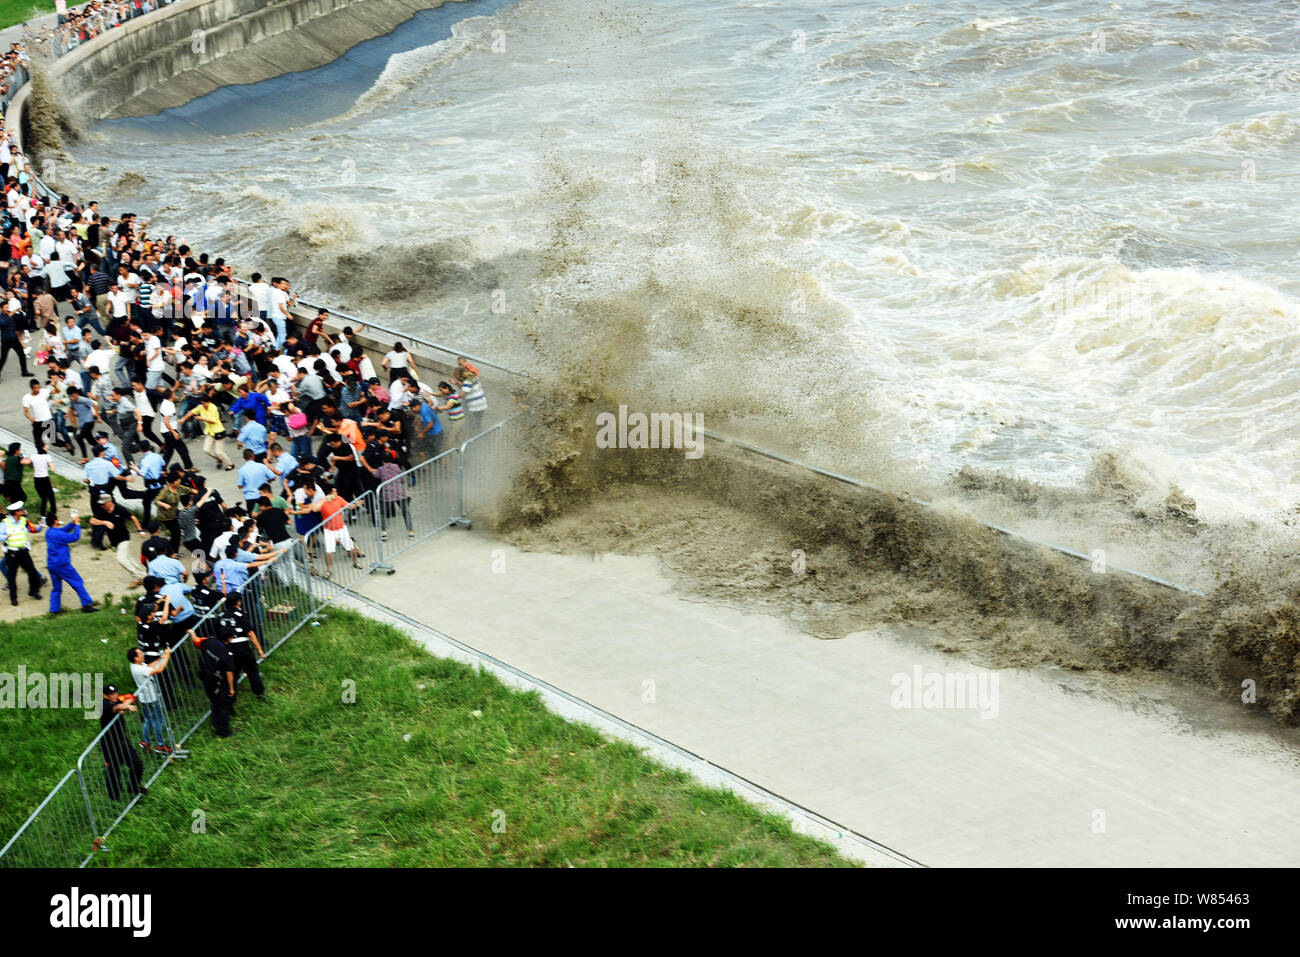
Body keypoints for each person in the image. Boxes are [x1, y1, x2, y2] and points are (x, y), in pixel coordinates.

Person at [127, 646, 188, 758]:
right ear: (136, 658)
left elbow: (149, 666)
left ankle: (145, 742)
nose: (143, 654)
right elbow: (159, 670)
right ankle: (160, 745)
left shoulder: (136, 665)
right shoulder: (139, 669)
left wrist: (161, 658)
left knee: (149, 719)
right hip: (151, 698)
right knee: (159, 721)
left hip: (144, 699)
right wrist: (167, 656)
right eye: (140, 654)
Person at [98, 684, 147, 800]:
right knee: (114, 770)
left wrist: (125, 704)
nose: (114, 696)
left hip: (122, 741)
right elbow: (115, 708)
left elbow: (130, 698)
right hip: (110, 745)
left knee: (137, 764)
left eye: (115, 693)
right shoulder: (103, 705)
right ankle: (114, 797)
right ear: (105, 696)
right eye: (111, 694)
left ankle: (133, 787)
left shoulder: (117, 700)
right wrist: (127, 707)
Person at [44, 511, 98, 614]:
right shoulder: (58, 534)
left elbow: (63, 530)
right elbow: (75, 537)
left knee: (57, 588)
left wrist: (72, 523)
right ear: (56, 521)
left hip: (52, 565)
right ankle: (86, 604)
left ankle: (54, 609)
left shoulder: (49, 532)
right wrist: (77, 525)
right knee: (77, 582)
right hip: (62, 565)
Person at [88, 496, 146, 588]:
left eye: (103, 504)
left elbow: (133, 518)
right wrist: (105, 522)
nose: (101, 506)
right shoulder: (102, 511)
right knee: (128, 558)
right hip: (114, 542)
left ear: (109, 502)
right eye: (101, 504)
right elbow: (92, 520)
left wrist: (140, 530)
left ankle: (137, 577)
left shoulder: (120, 509)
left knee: (121, 559)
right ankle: (143, 575)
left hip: (124, 538)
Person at [216, 590, 265, 698]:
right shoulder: (241, 615)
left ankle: (229, 700)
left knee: (231, 676)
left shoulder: (221, 617)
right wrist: (259, 649)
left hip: (228, 650)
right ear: (238, 602)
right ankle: (259, 693)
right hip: (243, 649)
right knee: (252, 672)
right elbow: (250, 633)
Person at [1, 500, 44, 606]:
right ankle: (13, 598)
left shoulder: (24, 520)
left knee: (32, 572)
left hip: (24, 552)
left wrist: (40, 527)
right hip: (12, 553)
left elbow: (32, 528)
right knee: (12, 576)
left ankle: (33, 591)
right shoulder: (5, 523)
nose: (24, 511)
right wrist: (5, 537)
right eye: (22, 510)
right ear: (16, 512)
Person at [199, 627, 236, 738]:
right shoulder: (226, 654)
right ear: (228, 639)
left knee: (214, 701)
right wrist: (231, 688)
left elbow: (197, 641)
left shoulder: (208, 642)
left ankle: (215, 724)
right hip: (218, 681)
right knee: (223, 705)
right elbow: (229, 673)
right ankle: (224, 731)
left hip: (205, 677)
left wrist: (192, 634)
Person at [178, 394, 232, 470]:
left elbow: (213, 421)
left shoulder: (213, 408)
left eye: (203, 403)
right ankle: (218, 459)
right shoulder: (201, 407)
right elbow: (192, 412)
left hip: (218, 431)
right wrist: (183, 419)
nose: (202, 405)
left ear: (208, 402)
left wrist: (201, 418)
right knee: (207, 450)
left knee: (219, 452)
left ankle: (230, 464)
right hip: (209, 432)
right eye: (201, 403)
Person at [30, 444, 55, 520]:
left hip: (36, 479)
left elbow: (31, 465)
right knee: (51, 497)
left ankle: (43, 516)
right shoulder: (47, 457)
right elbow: (53, 469)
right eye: (46, 445)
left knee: (44, 498)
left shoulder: (33, 456)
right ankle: (53, 514)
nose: (48, 446)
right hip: (45, 479)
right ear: (43, 447)